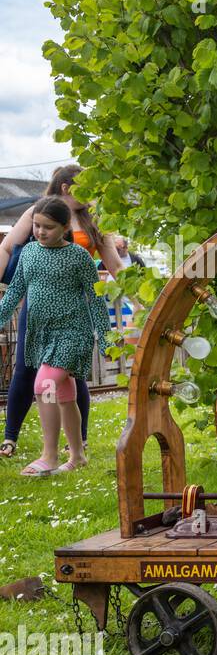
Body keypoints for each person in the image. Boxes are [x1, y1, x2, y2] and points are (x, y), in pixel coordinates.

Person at [0, 164, 124, 459]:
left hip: (75, 305)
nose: (94, 193)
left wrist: (146, 298)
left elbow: (116, 266)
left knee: (72, 374)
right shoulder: (37, 213)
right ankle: (10, 437)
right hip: (38, 303)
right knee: (26, 368)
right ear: (68, 187)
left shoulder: (94, 220)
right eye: (89, 187)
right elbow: (7, 248)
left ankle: (77, 442)